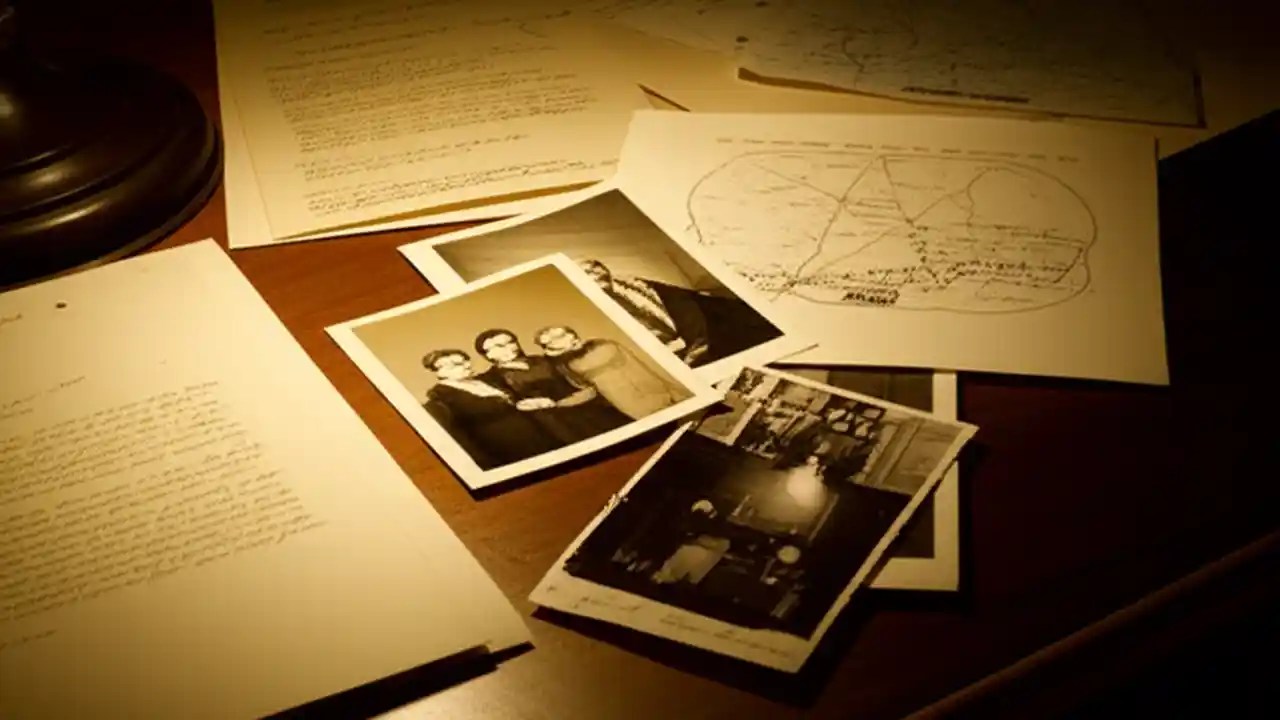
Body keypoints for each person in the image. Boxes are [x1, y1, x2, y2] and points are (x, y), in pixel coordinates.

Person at [577, 258, 781, 368]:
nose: (593, 273)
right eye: (584, 273)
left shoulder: (640, 285)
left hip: (726, 335)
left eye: (593, 268)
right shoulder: (594, 321)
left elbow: (693, 314)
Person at [473, 328, 630, 444]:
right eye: (499, 346)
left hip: (590, 409)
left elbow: (583, 382)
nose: (509, 347)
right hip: (556, 425)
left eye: (510, 342)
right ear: (487, 354)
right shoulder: (490, 379)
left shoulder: (545, 360)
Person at [420, 348, 559, 470]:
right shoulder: (441, 397)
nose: (467, 365)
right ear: (438, 371)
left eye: (466, 361)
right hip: (504, 450)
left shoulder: (485, 381)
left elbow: (513, 400)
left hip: (536, 437)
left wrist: (528, 403)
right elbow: (457, 435)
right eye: (457, 364)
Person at [533, 325, 688, 420]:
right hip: (637, 410)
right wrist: (557, 403)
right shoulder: (567, 365)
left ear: (571, 335)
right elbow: (590, 390)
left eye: (558, 336)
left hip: (664, 395)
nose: (554, 342)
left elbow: (646, 363)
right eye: (547, 343)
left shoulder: (603, 345)